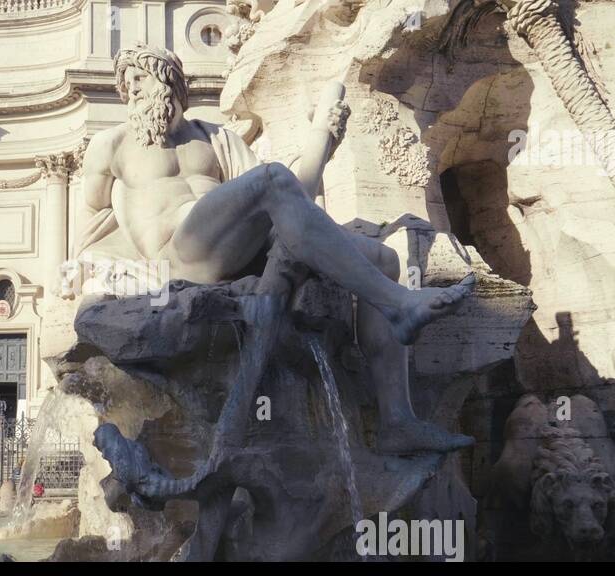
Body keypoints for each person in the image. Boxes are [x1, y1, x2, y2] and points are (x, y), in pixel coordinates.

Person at [74, 43, 476, 455]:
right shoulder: (112, 144)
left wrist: (324, 141)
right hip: (183, 253)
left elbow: (291, 198)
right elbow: (88, 229)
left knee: (382, 258)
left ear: (168, 80)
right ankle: (399, 304)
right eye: (126, 85)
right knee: (270, 178)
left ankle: (397, 420)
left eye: (140, 79)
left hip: (242, 248)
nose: (131, 91)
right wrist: (99, 272)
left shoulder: (214, 139)